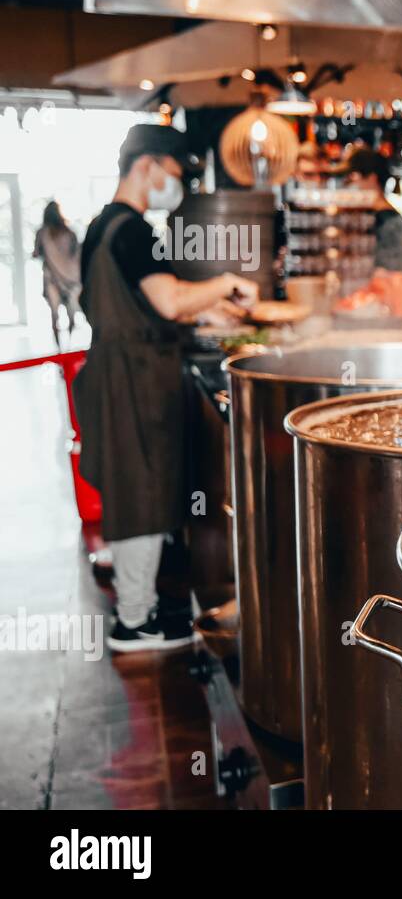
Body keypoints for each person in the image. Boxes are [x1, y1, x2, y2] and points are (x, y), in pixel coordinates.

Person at [73, 124, 259, 653]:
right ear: (146, 166)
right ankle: (134, 621)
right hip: (133, 379)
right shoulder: (130, 230)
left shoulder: (105, 224)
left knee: (138, 487)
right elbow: (170, 301)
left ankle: (141, 606)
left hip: (121, 371)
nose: (174, 185)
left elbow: (155, 297)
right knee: (140, 493)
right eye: (174, 174)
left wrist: (211, 307)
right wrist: (226, 284)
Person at [337, 146, 402, 272]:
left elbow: (392, 271)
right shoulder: (381, 216)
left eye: (353, 178)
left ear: (372, 178)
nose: (350, 185)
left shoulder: (388, 221)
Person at [32, 201, 81, 349]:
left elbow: (36, 253)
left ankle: (60, 350)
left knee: (55, 315)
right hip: (70, 280)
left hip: (51, 279)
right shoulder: (68, 232)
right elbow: (76, 254)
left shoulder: (42, 233)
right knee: (70, 315)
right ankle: (67, 348)